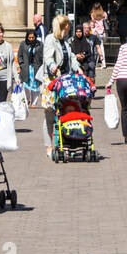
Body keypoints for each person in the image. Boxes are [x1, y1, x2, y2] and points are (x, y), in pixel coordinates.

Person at [41, 15, 78, 156]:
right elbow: (48, 57)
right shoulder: (51, 39)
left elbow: (71, 57)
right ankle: (49, 146)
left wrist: (77, 67)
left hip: (65, 82)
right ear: (62, 26)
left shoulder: (66, 41)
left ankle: (65, 145)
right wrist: (52, 66)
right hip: (51, 81)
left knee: (66, 113)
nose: (69, 29)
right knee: (50, 115)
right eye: (67, 26)